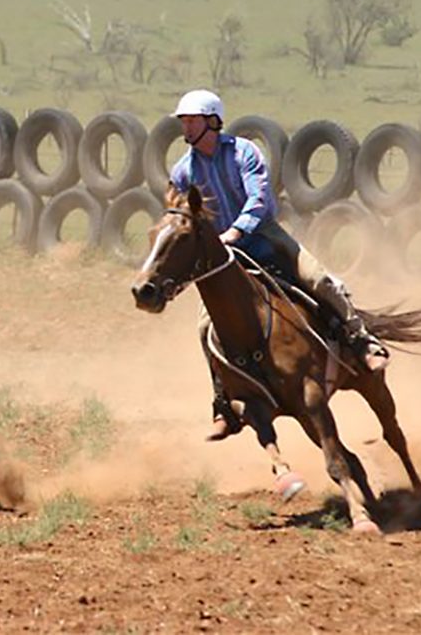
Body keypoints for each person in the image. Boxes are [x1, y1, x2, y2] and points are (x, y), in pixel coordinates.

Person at [167, 89, 390, 442]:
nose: (186, 126)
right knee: (204, 329)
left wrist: (236, 230)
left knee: (319, 280)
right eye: (183, 121)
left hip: (263, 236)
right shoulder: (183, 171)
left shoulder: (242, 152)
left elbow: (260, 198)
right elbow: (180, 214)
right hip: (223, 258)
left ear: (212, 120)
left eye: (192, 120)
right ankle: (223, 404)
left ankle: (362, 343)